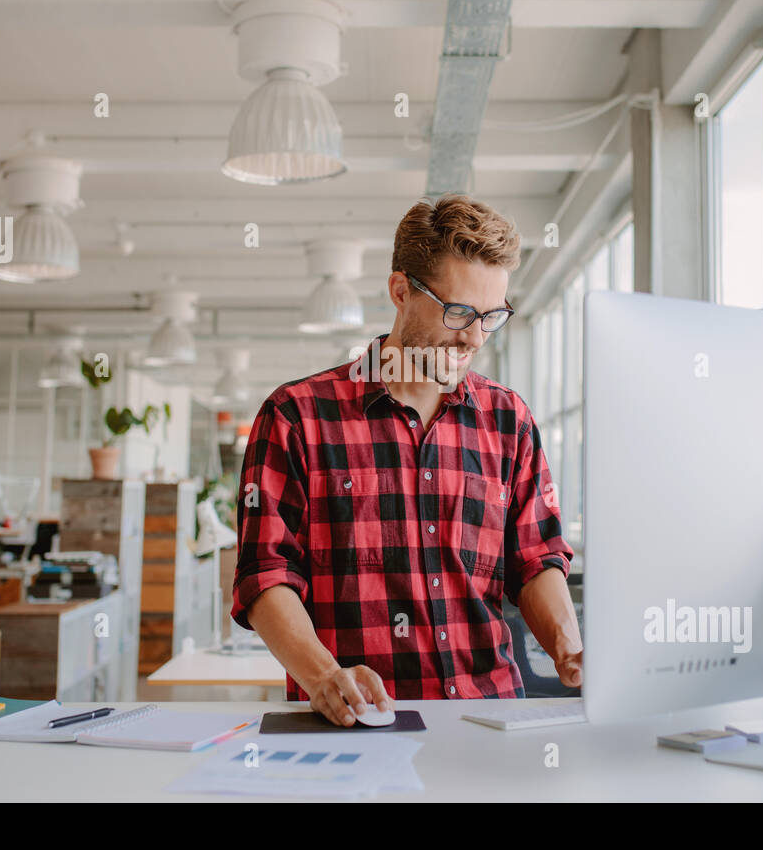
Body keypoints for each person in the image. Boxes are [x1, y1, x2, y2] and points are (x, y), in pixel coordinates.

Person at [232, 194, 580, 726]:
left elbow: (536, 559)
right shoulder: (296, 416)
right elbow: (266, 575)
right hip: (356, 724)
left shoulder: (509, 420)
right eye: (459, 311)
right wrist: (324, 675)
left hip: (488, 721)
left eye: (492, 317)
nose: (474, 337)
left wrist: (570, 650)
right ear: (400, 291)